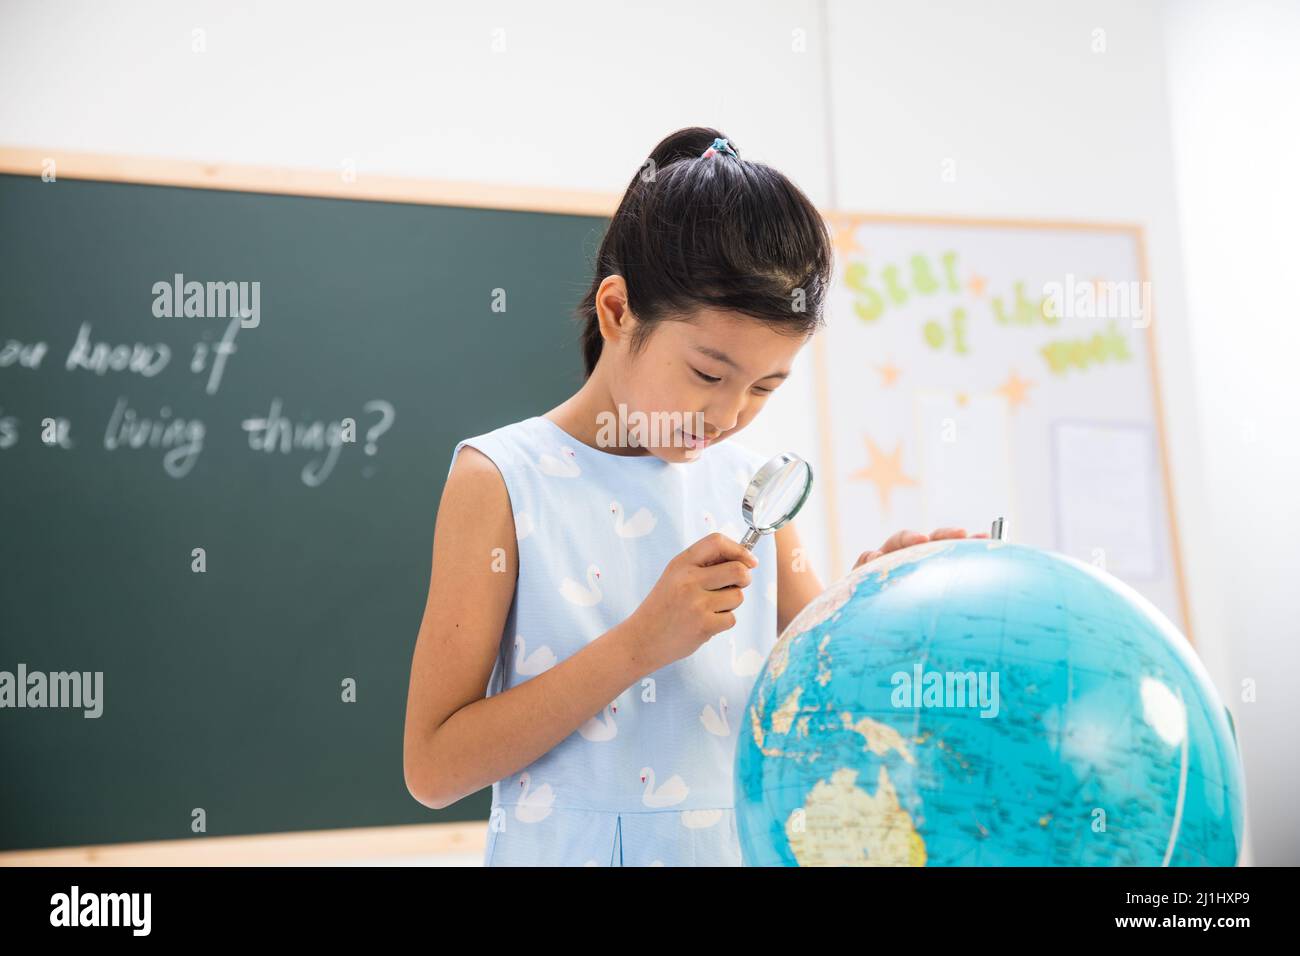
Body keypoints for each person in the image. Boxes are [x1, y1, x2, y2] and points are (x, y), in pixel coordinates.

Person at [403, 126, 983, 865]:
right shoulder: (500, 479)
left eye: (767, 386)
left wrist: (885, 596)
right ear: (618, 312)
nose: (731, 413)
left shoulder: (755, 491)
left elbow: (835, 697)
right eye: (709, 375)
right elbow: (432, 767)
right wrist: (638, 647)